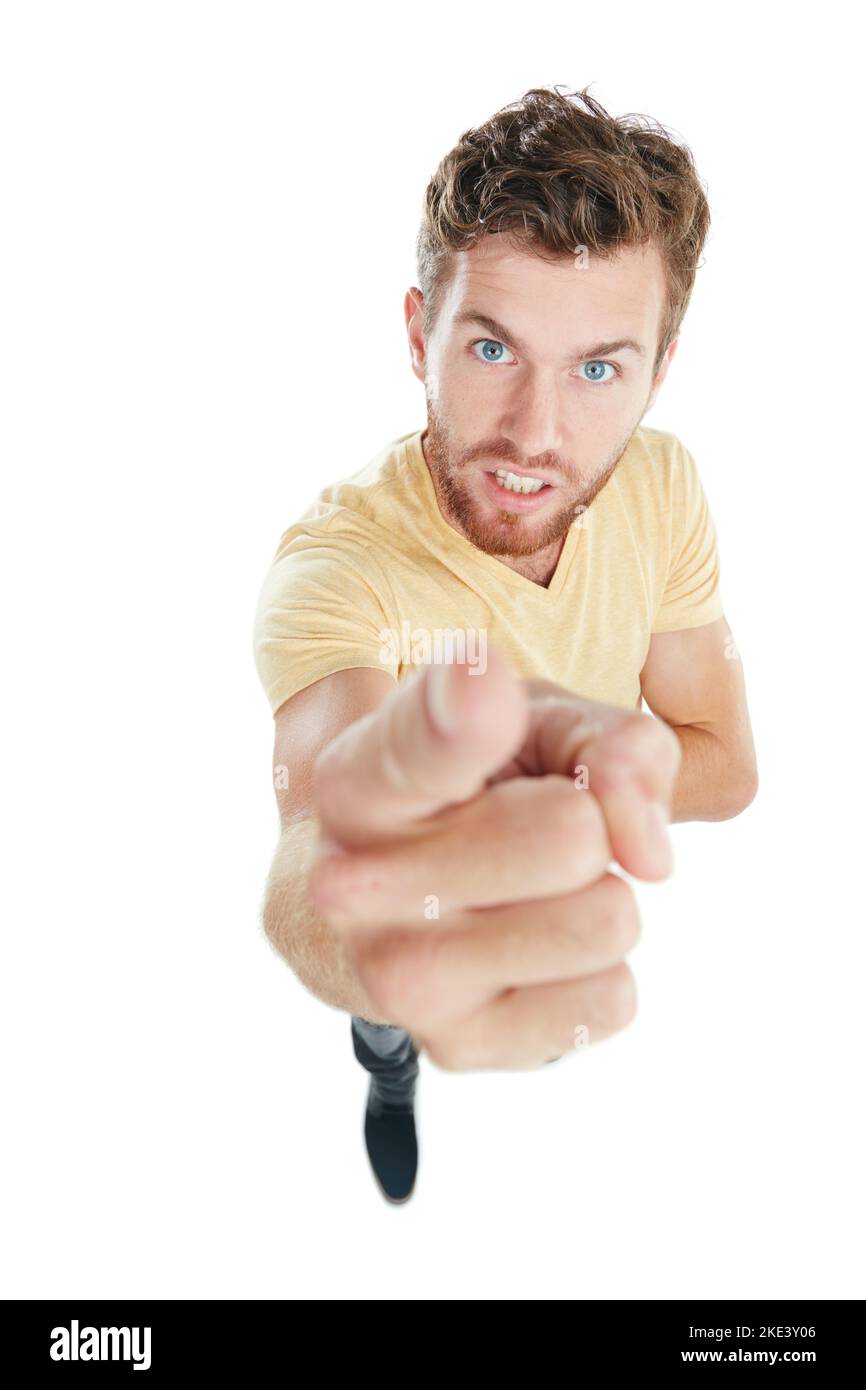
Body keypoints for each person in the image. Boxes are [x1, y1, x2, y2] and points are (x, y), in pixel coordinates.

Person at [252, 85, 758, 1204]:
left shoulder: (662, 484)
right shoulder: (335, 568)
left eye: (596, 369)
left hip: (548, 883)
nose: (534, 435)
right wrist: (355, 907)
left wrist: (566, 776)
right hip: (410, 920)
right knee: (386, 1013)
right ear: (415, 333)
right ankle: (385, 1068)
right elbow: (310, 846)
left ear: (657, 372)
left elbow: (724, 759)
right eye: (490, 347)